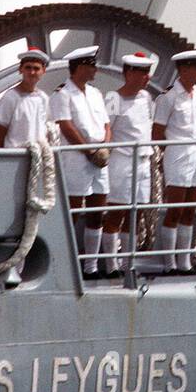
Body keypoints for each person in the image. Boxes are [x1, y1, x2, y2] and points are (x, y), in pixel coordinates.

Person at [50, 45, 113, 280]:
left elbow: (107, 125)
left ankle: (91, 267)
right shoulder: (62, 94)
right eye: (92, 65)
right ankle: (63, 264)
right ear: (80, 67)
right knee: (73, 210)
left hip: (100, 157)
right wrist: (89, 152)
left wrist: (105, 147)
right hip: (77, 157)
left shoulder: (96, 93)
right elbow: (65, 126)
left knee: (98, 210)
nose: (95, 70)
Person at [152, 49, 196, 274]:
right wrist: (170, 151)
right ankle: (169, 263)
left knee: (190, 209)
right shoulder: (169, 96)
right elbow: (157, 132)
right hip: (178, 152)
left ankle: (184, 261)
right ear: (184, 69)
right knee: (175, 209)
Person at [101, 51, 156, 277]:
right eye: (143, 72)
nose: (147, 77)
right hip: (121, 160)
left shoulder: (146, 98)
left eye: (148, 72)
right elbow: (107, 129)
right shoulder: (114, 99)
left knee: (137, 214)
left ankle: (128, 263)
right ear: (129, 72)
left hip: (143, 160)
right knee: (116, 213)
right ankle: (111, 264)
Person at [0, 47, 51, 148]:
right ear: (20, 69)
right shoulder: (10, 98)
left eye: (36, 68)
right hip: (15, 155)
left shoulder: (43, 98)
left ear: (43, 71)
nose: (32, 72)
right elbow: (0, 133)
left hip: (38, 154)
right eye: (28, 68)